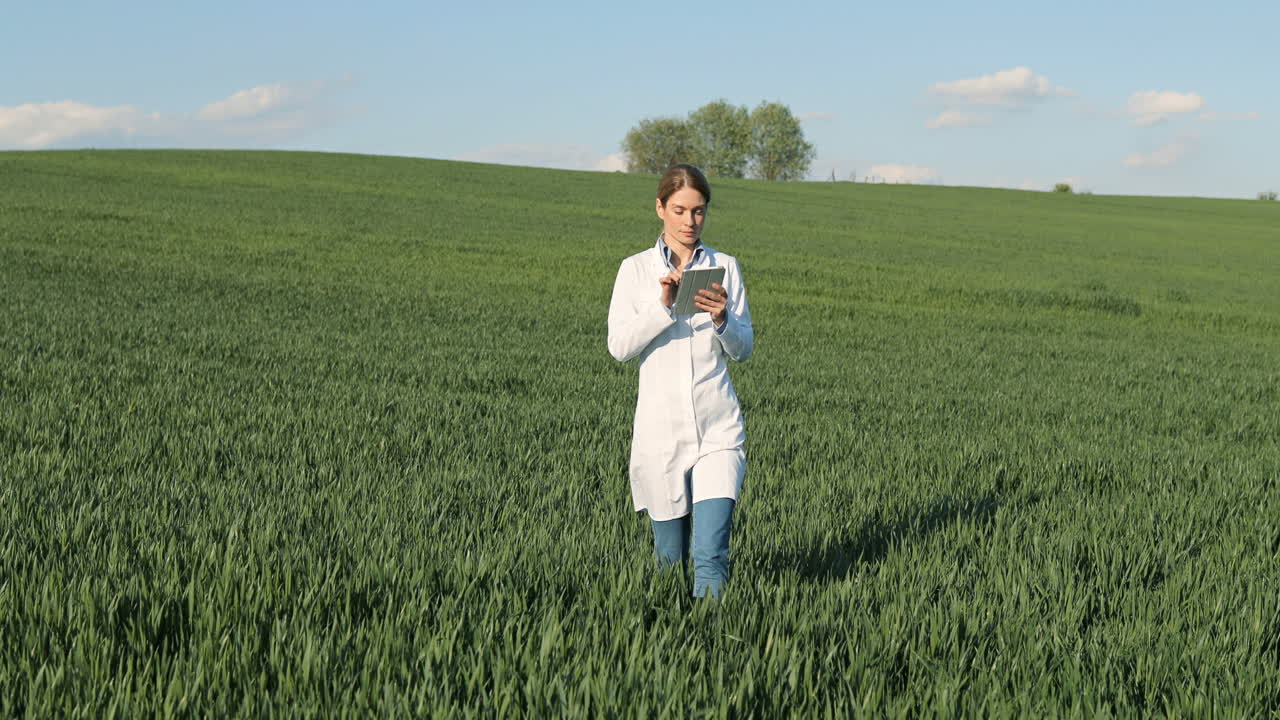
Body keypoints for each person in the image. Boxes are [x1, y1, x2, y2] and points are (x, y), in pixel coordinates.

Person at [606, 163, 754, 598]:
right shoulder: (634, 271)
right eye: (680, 210)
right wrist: (664, 306)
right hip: (659, 435)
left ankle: (717, 651)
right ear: (659, 208)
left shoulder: (725, 267)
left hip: (718, 429)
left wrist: (722, 317)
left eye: (699, 211)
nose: (690, 222)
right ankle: (670, 646)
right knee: (669, 564)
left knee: (711, 554)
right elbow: (619, 346)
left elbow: (743, 349)